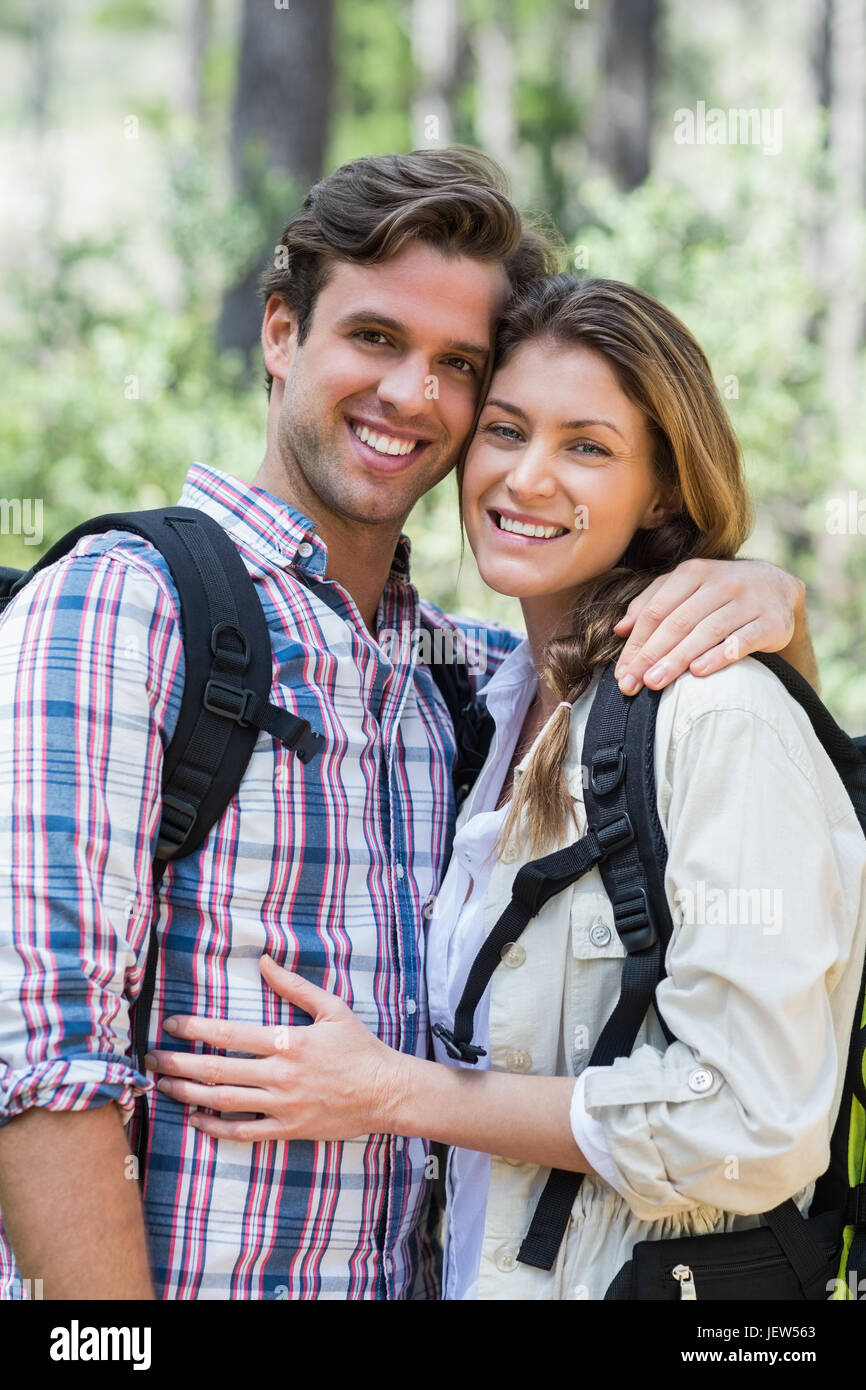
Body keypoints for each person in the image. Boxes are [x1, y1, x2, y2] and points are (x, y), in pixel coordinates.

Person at [0, 149, 816, 1302]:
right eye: (374, 338)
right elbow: (43, 1071)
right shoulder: (125, 605)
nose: (411, 396)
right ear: (281, 334)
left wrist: (774, 609)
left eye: (457, 366)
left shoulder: (461, 684)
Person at [145, 273, 866, 1302]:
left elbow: (749, 1121)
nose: (526, 478)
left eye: (585, 446)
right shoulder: (481, 698)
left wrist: (393, 1092)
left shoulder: (716, 715)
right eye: (504, 429)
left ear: (660, 489)